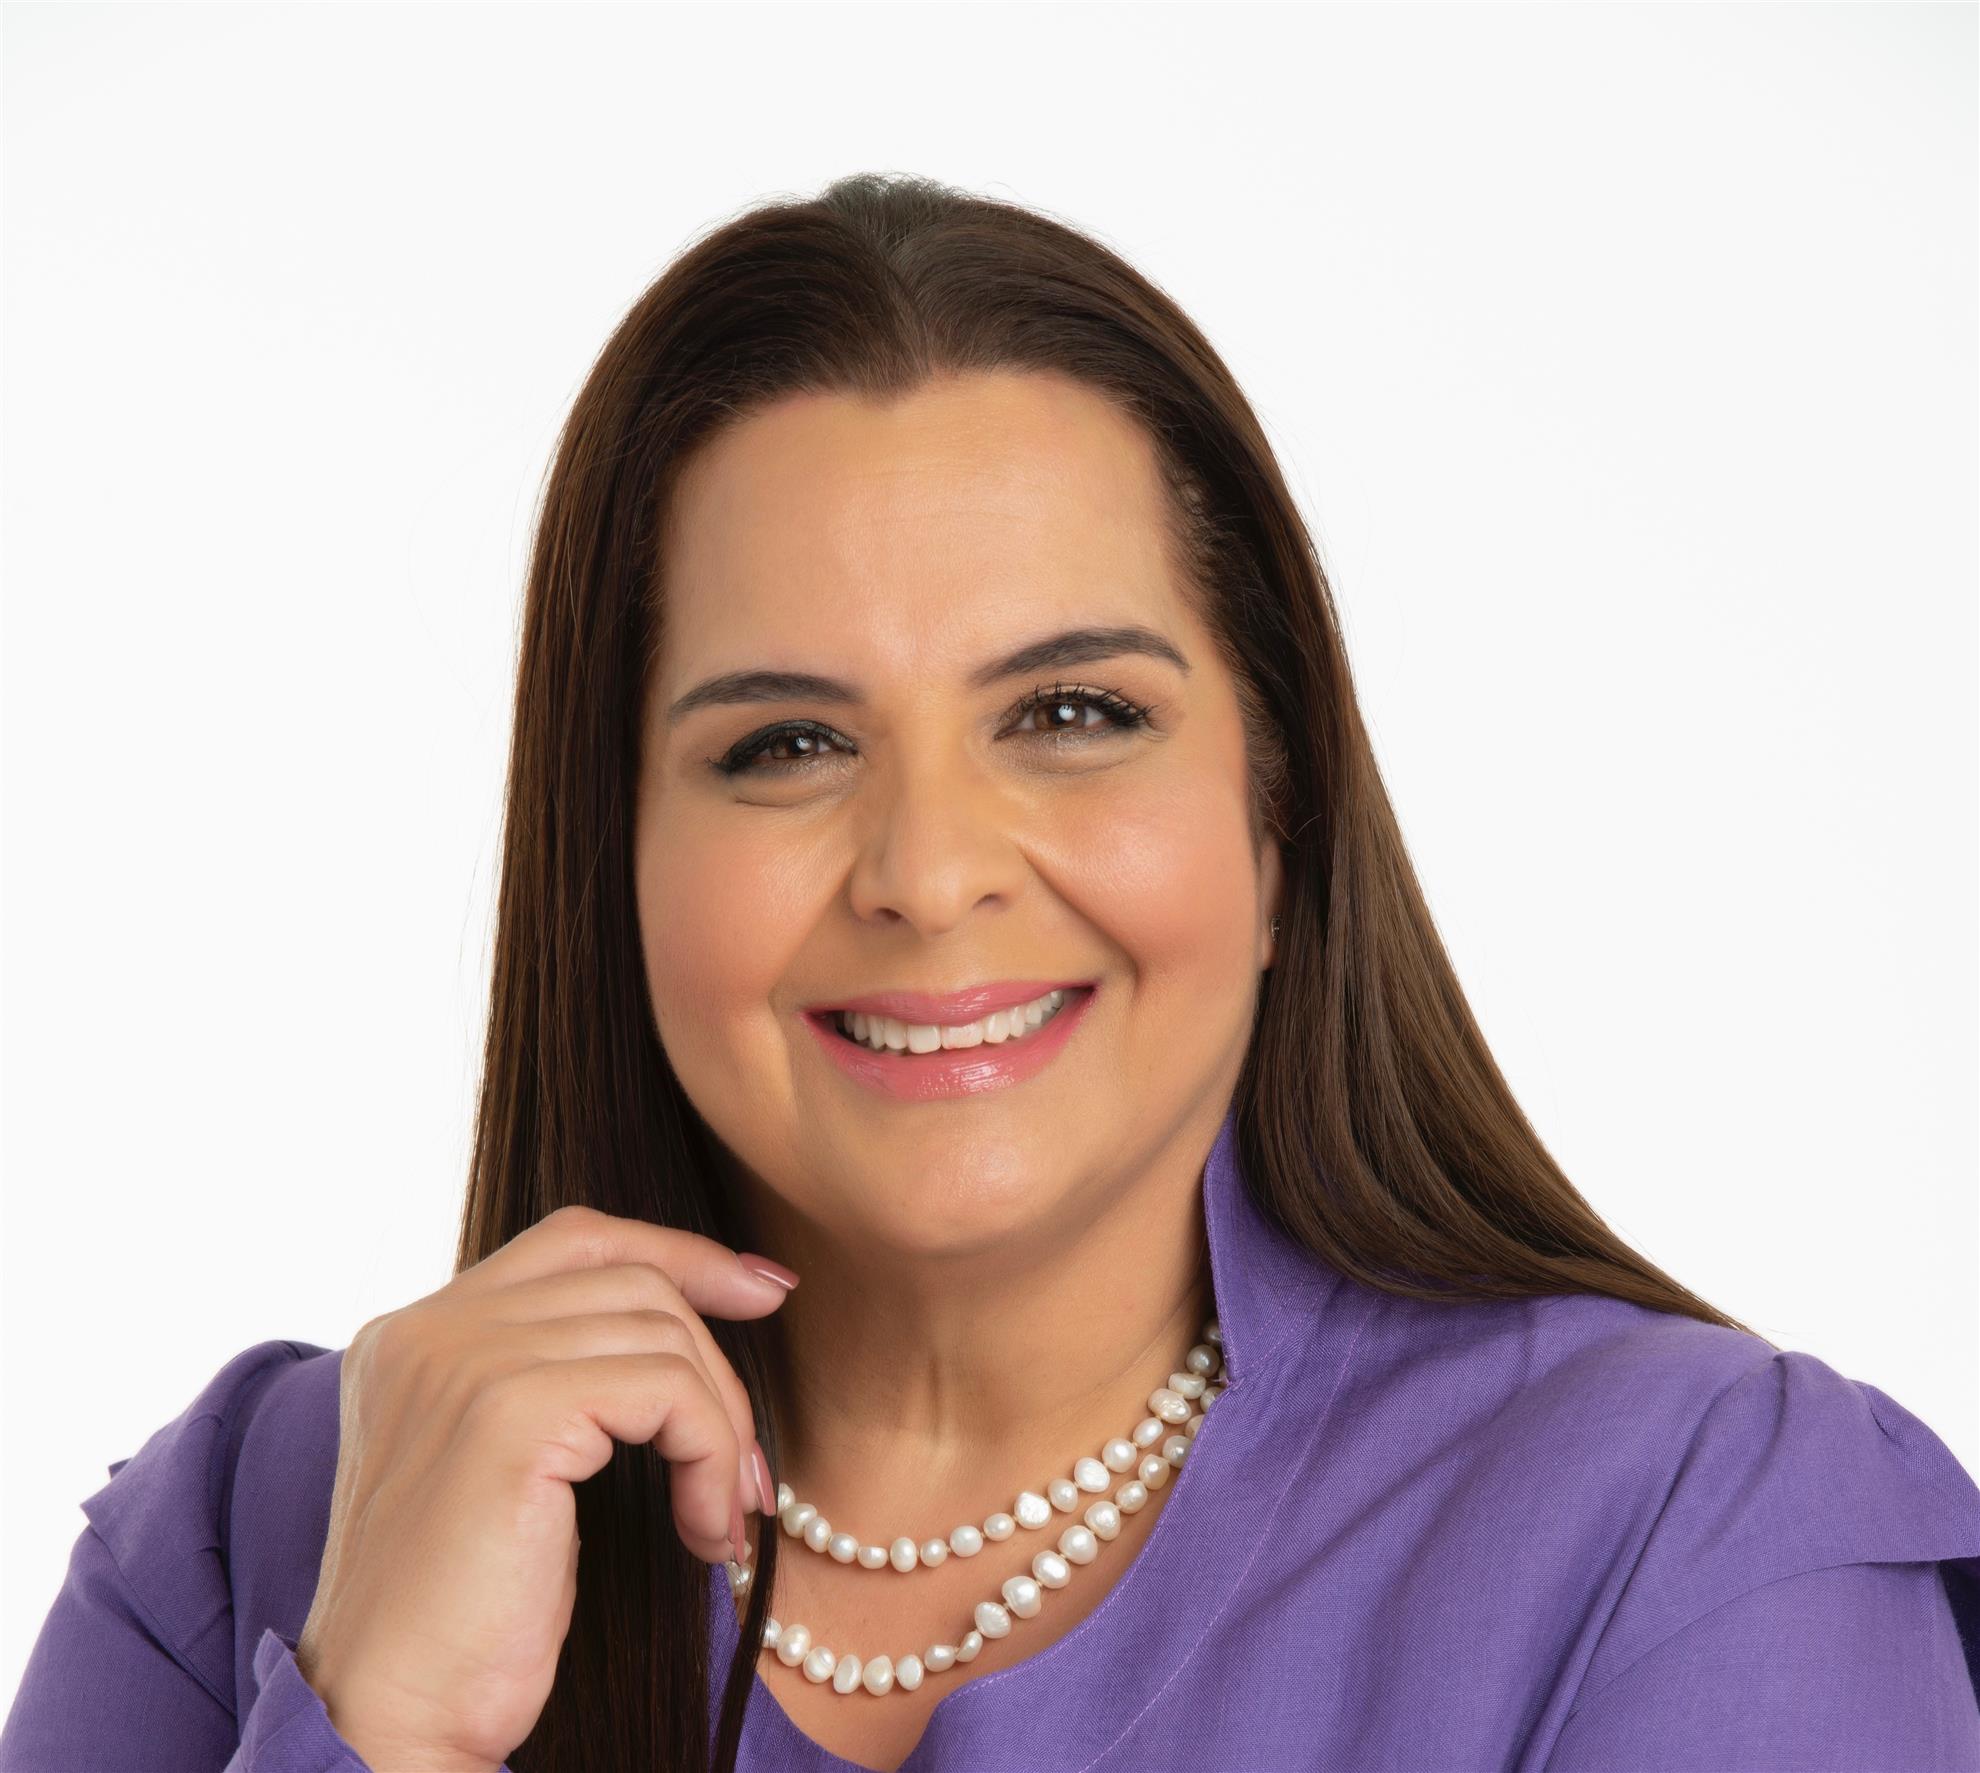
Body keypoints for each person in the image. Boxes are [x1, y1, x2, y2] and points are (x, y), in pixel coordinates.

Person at [5, 171, 1977, 1773]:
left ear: (1280, 821)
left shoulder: (1698, 1532)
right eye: (785, 743)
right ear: (611, 861)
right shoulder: (260, 1538)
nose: (930, 871)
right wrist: (376, 1732)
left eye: (1072, 712)